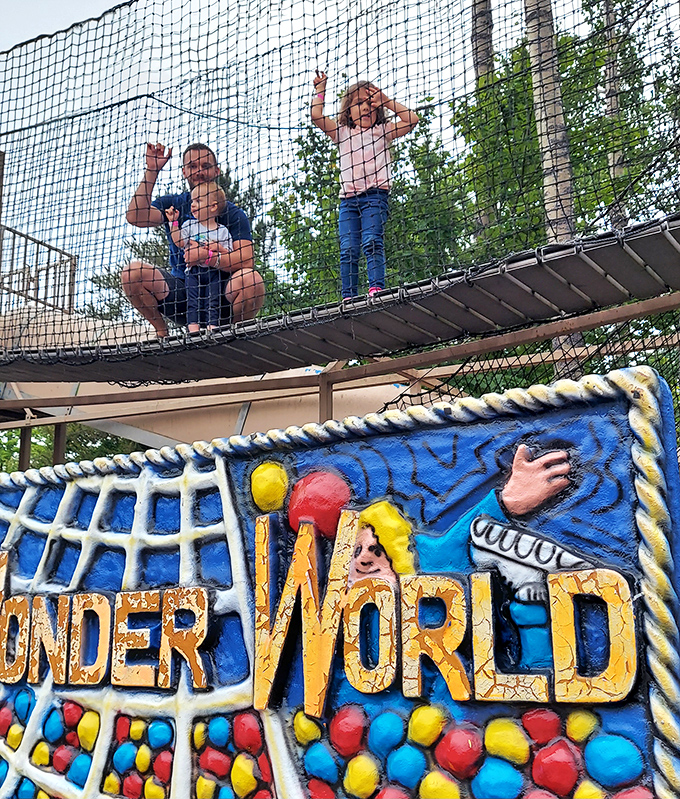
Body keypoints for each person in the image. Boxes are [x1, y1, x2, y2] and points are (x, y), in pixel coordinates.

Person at [123, 143, 265, 338]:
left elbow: (246, 260)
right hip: (184, 294)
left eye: (205, 166)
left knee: (252, 281)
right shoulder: (174, 204)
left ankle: (234, 334)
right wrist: (152, 170)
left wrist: (207, 258)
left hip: (223, 294)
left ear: (216, 171)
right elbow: (135, 217)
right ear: (184, 172)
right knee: (132, 273)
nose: (199, 171)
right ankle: (162, 332)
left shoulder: (232, 214)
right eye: (192, 166)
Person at [311, 72, 419, 300]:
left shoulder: (383, 131)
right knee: (348, 249)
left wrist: (386, 100)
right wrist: (320, 90)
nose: (366, 108)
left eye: (371, 103)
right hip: (348, 202)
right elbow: (316, 116)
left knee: (372, 241)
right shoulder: (342, 133)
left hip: (375, 198)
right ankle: (348, 295)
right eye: (359, 103)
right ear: (348, 110)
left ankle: (376, 288)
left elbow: (412, 120)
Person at [167, 181, 232, 333]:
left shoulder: (222, 231)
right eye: (192, 201)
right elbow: (179, 242)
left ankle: (212, 326)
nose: (193, 205)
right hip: (193, 272)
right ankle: (193, 329)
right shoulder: (190, 225)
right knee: (193, 300)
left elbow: (229, 253)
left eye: (198, 201)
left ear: (213, 206)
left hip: (214, 273)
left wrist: (218, 248)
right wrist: (174, 223)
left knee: (213, 299)